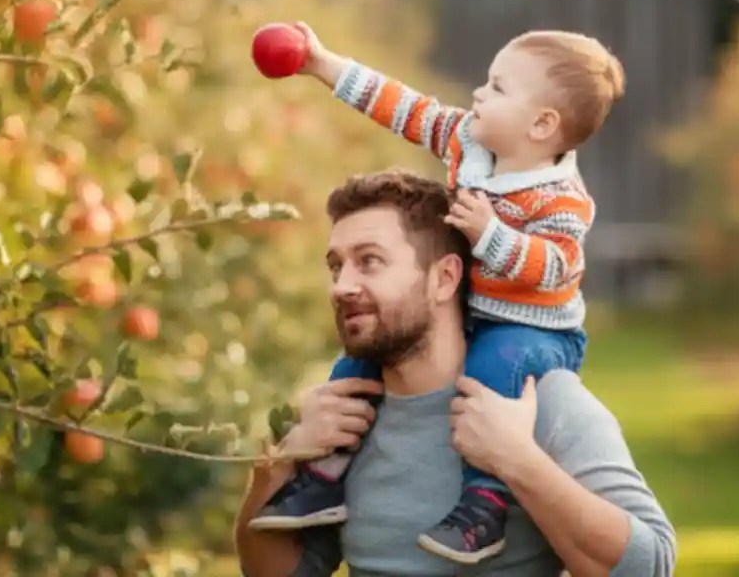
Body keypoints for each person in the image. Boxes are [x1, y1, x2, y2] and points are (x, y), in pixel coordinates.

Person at [248, 23, 625, 564]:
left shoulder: (562, 200)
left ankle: (484, 503)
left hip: (533, 329)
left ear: (543, 124)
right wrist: (320, 62)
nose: (478, 93)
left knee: (491, 376)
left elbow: (557, 268)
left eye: (498, 87)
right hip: (478, 307)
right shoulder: (465, 140)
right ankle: (323, 475)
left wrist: (490, 235)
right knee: (351, 372)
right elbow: (398, 104)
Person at [235, 171, 676, 576]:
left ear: (444, 278)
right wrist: (276, 469)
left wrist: (515, 459)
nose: (342, 286)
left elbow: (650, 565)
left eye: (369, 261)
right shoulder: (343, 412)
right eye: (336, 266)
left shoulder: (535, 401)